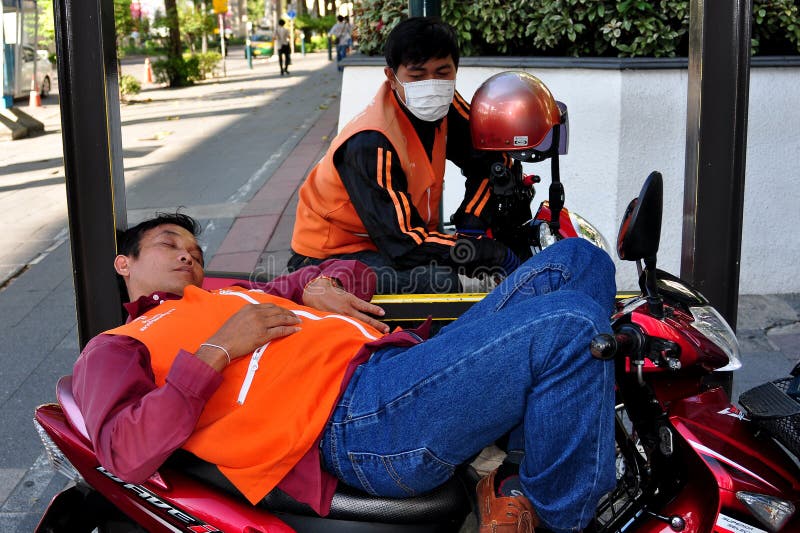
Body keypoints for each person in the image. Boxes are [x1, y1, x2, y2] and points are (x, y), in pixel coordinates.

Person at [72, 212, 617, 532]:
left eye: (194, 249)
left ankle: (519, 471)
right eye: (171, 245)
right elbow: (123, 451)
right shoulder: (116, 345)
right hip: (354, 424)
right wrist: (218, 349)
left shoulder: (232, 294)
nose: (189, 256)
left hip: (396, 369)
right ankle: (555, 517)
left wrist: (323, 286)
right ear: (124, 264)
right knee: (572, 324)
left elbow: (351, 271)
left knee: (576, 261)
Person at [289, 17, 530, 294]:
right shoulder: (370, 142)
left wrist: (472, 225)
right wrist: (487, 253)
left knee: (465, 258)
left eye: (442, 72)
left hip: (396, 240)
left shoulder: (446, 104)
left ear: (455, 70)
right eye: (417, 76)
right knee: (443, 281)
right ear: (391, 77)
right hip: (329, 257)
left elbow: (493, 161)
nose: (431, 85)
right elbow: (404, 247)